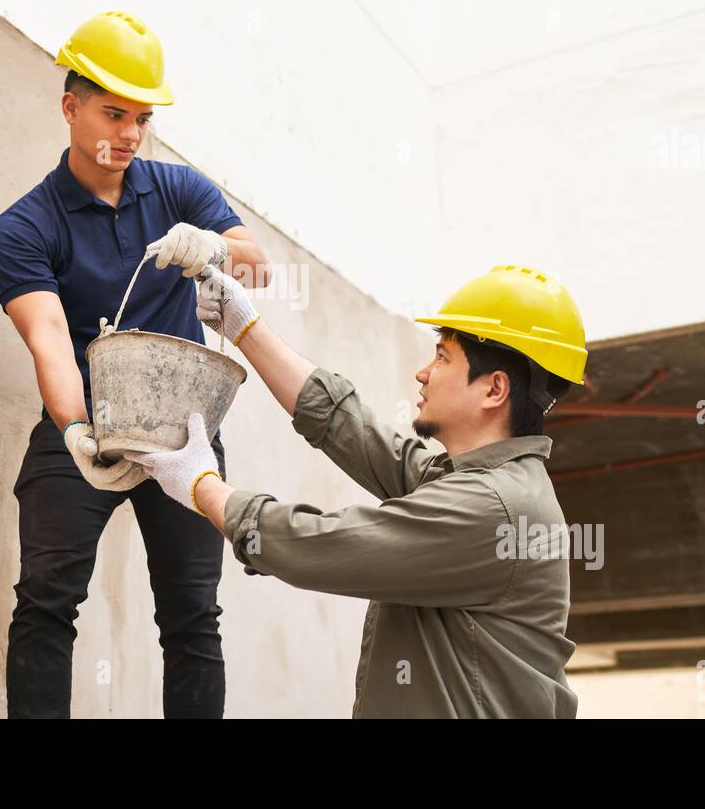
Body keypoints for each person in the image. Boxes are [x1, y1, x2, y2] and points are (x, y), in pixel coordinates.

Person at [125, 263, 587, 718]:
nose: (423, 374)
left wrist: (200, 483)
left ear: (494, 389)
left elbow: (321, 543)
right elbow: (349, 427)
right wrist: (242, 325)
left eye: (443, 357)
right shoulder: (472, 483)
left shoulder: (495, 509)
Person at [0, 10, 270, 718]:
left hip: (184, 428)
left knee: (193, 616)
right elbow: (51, 341)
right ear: (70, 107)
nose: (130, 133)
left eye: (141, 117)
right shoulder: (25, 227)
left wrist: (212, 247)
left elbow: (258, 263)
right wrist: (78, 432)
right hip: (85, 417)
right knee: (45, 601)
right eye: (114, 113)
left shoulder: (177, 191)